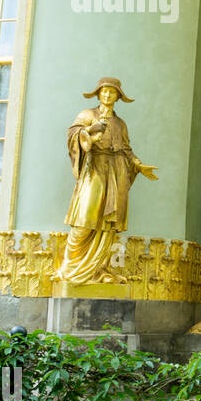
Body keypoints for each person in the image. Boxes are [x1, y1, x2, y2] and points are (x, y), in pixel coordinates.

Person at [54, 78, 157, 284]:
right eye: (104, 92)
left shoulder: (120, 124)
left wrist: (138, 164)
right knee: (85, 219)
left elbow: (126, 149)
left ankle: (100, 270)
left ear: (118, 96)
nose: (107, 95)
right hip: (95, 169)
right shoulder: (87, 115)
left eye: (112, 92)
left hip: (116, 172)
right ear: (98, 93)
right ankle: (70, 269)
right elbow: (74, 134)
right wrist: (90, 134)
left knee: (107, 225)